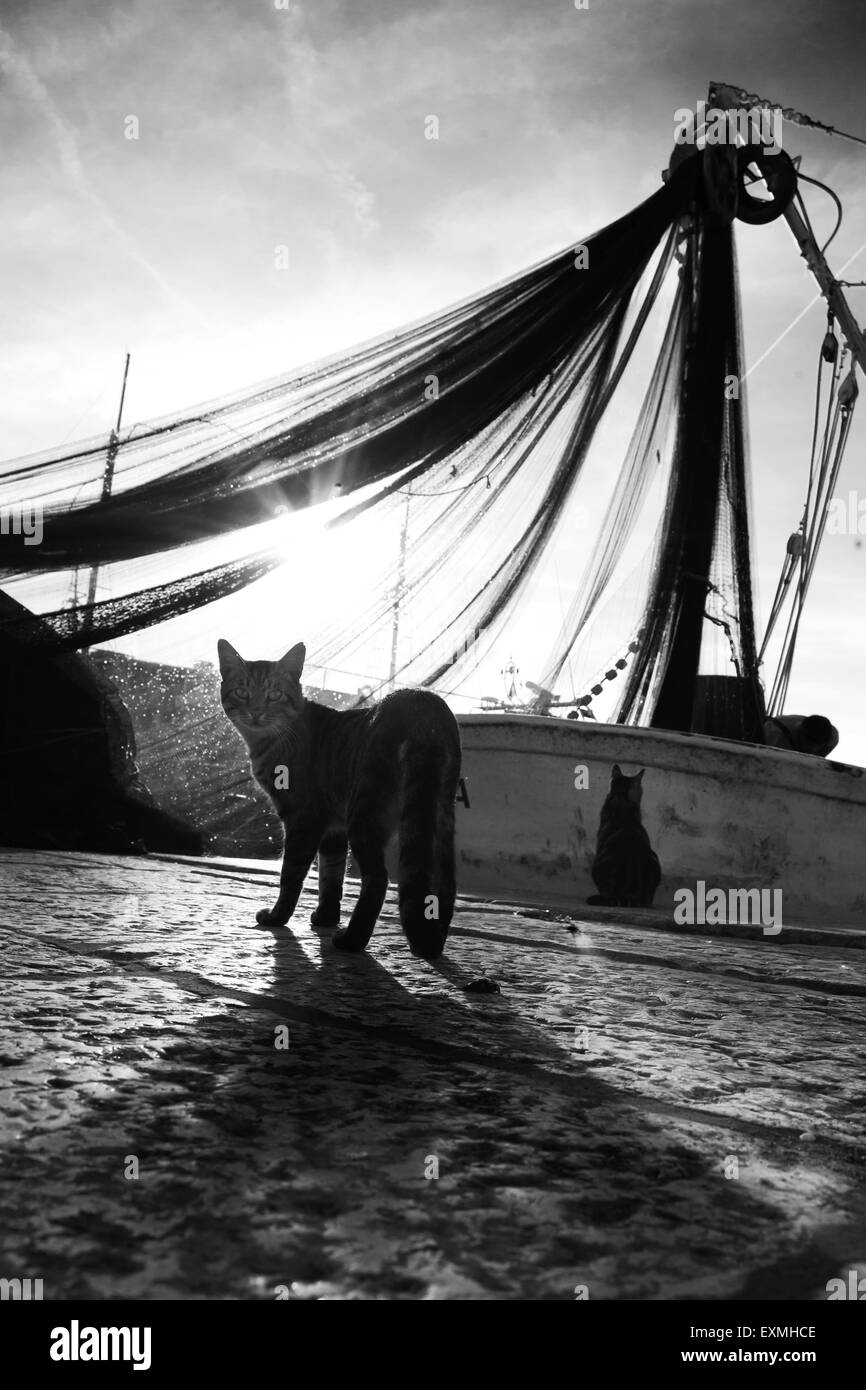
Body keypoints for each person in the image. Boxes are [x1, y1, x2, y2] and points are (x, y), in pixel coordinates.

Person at [762, 713, 839, 758]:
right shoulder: (774, 733)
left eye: (817, 746)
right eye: (809, 744)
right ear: (800, 733)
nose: (812, 750)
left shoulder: (832, 739)